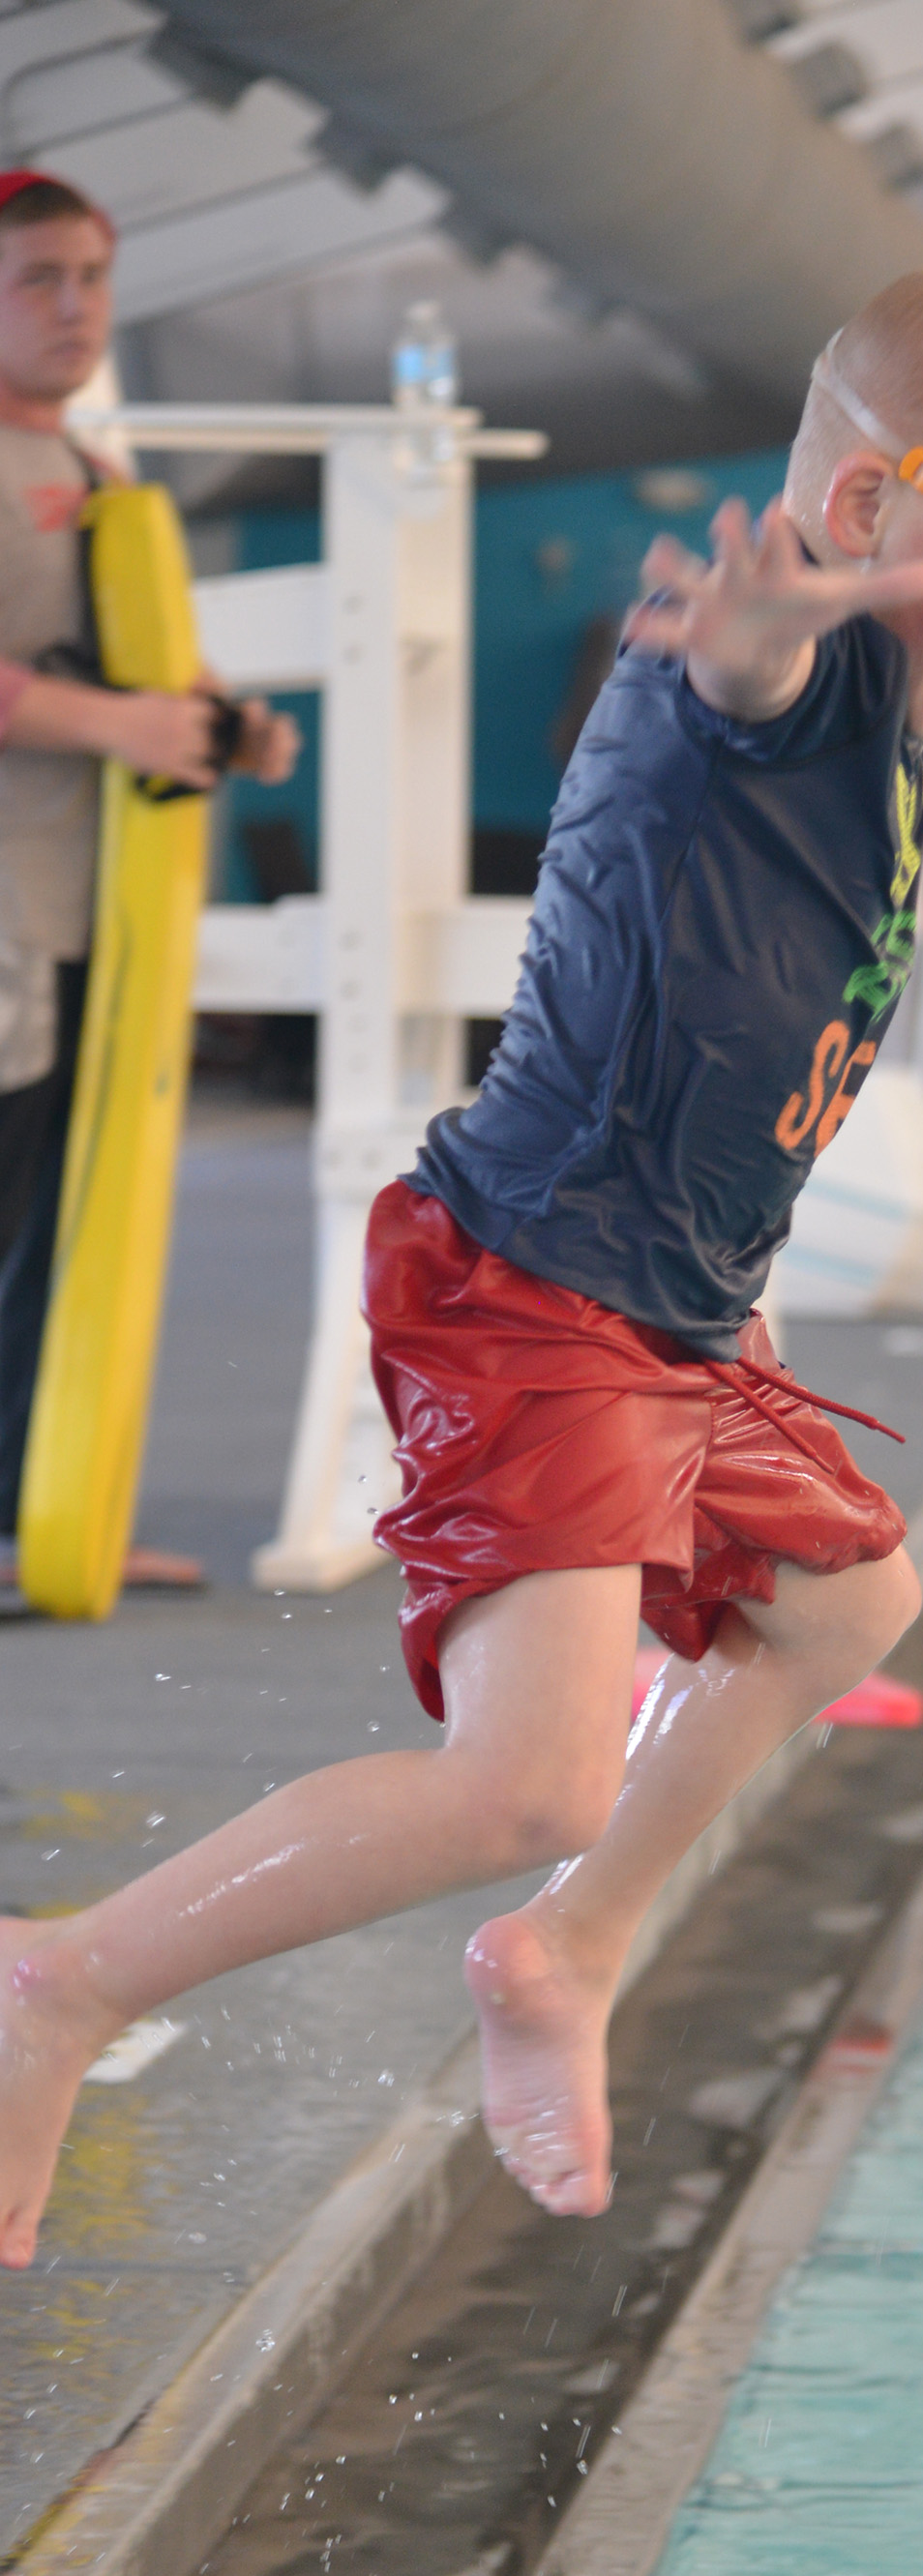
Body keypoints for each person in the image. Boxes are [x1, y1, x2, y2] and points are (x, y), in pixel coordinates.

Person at [0, 254, 923, 2269]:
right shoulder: (752, 690)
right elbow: (744, 668)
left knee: (854, 1611)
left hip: (667, 1300)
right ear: (871, 511)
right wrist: (762, 617)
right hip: (534, 1282)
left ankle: (564, 1960)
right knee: (523, 1782)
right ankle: (62, 1982)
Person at [0, 163, 300, 1585]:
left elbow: (131, 661)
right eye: (36, 280)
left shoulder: (98, 479)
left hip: (78, 923)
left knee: (63, 1228)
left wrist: (220, 717)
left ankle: (43, 1518)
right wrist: (122, 723)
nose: (73, 308)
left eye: (91, 277)